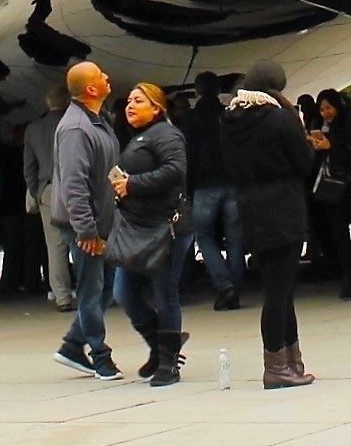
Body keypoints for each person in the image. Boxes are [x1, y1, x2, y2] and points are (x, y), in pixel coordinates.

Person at [219, 59, 316, 388]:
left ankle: (291, 362)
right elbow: (303, 162)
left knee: (279, 287)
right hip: (283, 208)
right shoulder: (279, 117)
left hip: (250, 209)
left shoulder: (230, 120)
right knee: (279, 292)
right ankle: (276, 365)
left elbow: (229, 166)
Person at [110, 83, 188, 387]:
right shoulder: (137, 137)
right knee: (124, 293)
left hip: (164, 227)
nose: (130, 105)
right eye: (128, 100)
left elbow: (175, 170)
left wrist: (133, 185)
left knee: (165, 292)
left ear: (156, 108)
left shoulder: (167, 135)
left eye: (138, 101)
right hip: (136, 226)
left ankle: (169, 363)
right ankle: (161, 345)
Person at [51, 61, 123, 380]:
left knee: (106, 286)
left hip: (102, 219)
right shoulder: (76, 129)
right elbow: (74, 183)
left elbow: (106, 169)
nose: (108, 77)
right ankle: (99, 355)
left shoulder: (98, 121)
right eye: (101, 75)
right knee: (92, 289)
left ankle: (72, 345)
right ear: (91, 89)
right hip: (85, 226)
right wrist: (86, 230)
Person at [178, 72, 245, 311]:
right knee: (235, 237)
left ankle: (224, 284)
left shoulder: (190, 119)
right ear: (218, 90)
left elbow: (186, 156)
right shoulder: (229, 115)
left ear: (197, 91)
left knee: (204, 236)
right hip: (231, 181)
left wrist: (186, 188)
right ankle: (235, 287)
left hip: (203, 184)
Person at [307, 89, 351, 300]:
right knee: (338, 234)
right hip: (329, 187)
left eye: (329, 108)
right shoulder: (322, 127)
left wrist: (331, 146)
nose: (325, 113)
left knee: (341, 232)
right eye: (322, 109)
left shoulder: (346, 127)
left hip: (347, 186)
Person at [21, 85, 75, 312]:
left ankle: (62, 297)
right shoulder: (75, 124)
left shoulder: (33, 129)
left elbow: (28, 166)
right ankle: (94, 292)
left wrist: (36, 190)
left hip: (48, 189)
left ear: (47, 102)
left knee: (55, 247)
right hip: (75, 188)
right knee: (85, 242)